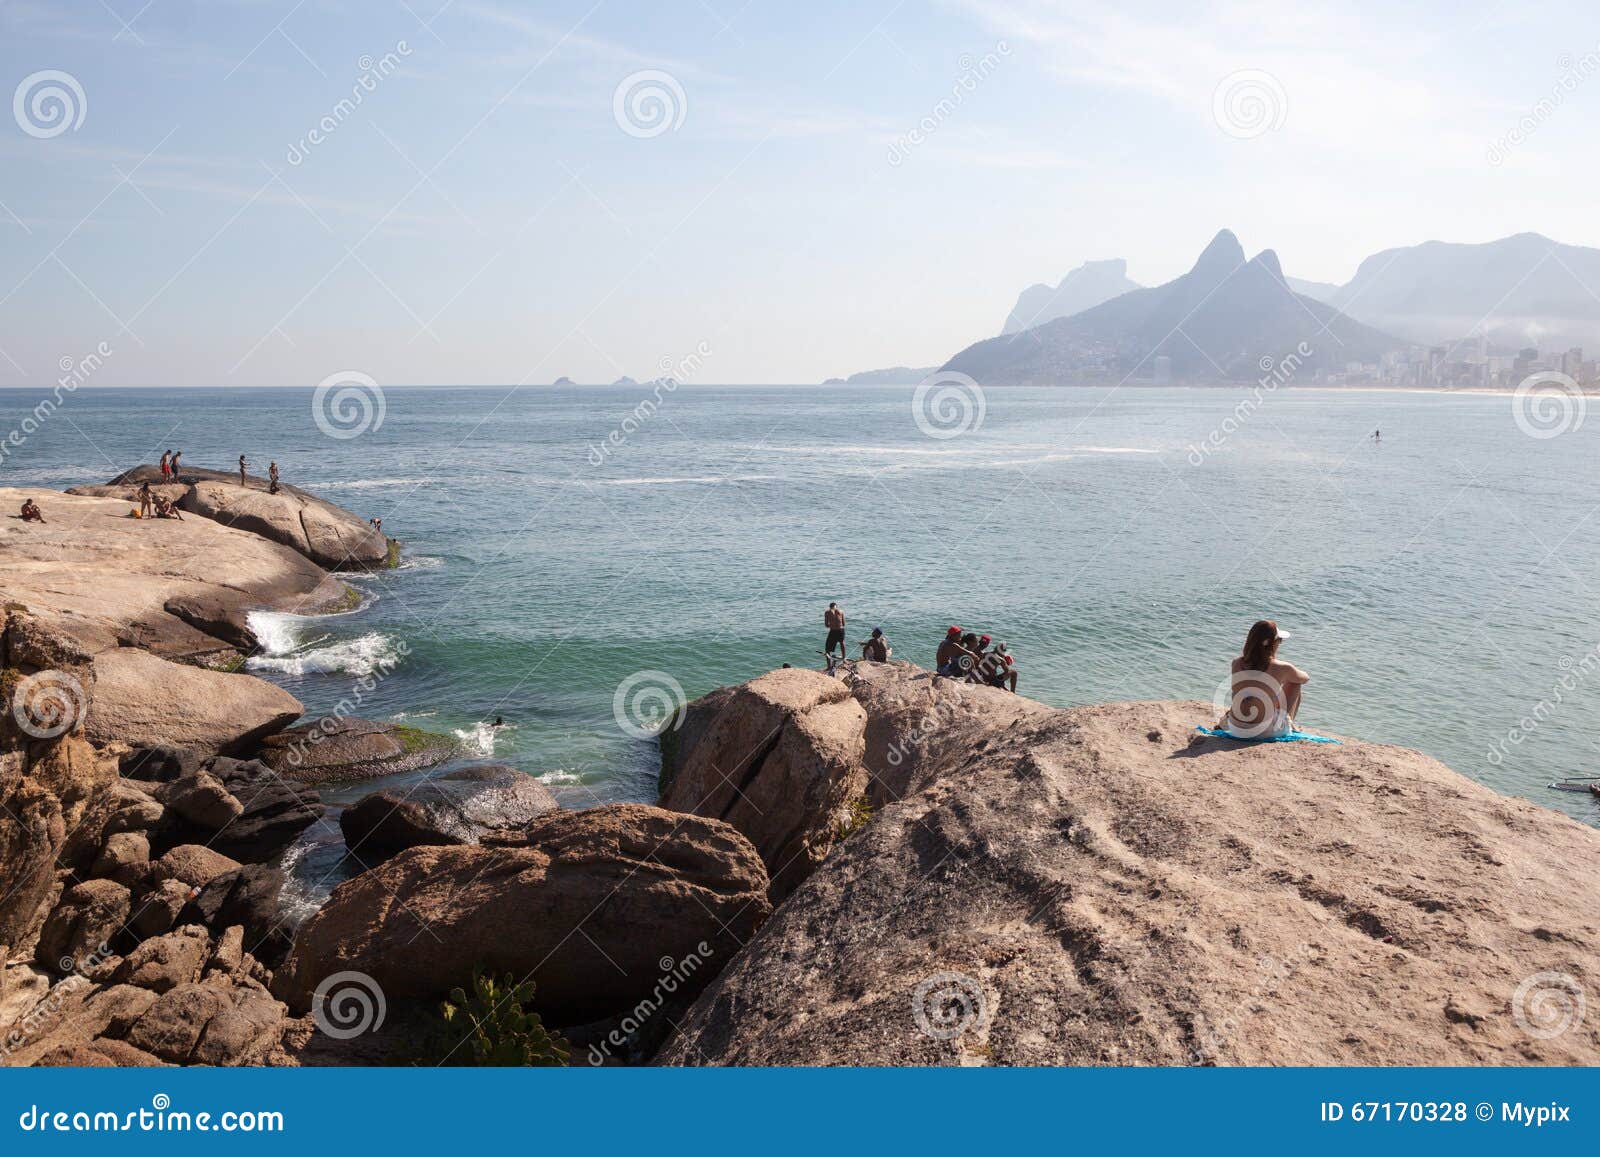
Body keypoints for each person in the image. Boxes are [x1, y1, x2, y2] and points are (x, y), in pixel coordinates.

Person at [1221, 619, 1309, 738]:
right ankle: (1289, 725)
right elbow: (1305, 678)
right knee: (1294, 683)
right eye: (1279, 640)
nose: (1279, 644)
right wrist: (1287, 673)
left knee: (1252, 691)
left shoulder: (1236, 663)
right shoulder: (1282, 667)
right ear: (1271, 643)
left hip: (1236, 727)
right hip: (1264, 732)